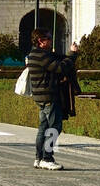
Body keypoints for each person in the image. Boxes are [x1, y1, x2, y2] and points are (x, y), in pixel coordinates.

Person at [26, 27, 78, 171]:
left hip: (41, 97)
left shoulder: (34, 54)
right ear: (40, 41)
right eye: (48, 38)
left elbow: (57, 57)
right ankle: (47, 158)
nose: (51, 40)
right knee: (54, 128)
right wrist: (72, 55)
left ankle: (39, 158)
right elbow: (60, 67)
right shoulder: (42, 56)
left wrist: (69, 54)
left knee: (43, 128)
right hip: (49, 96)